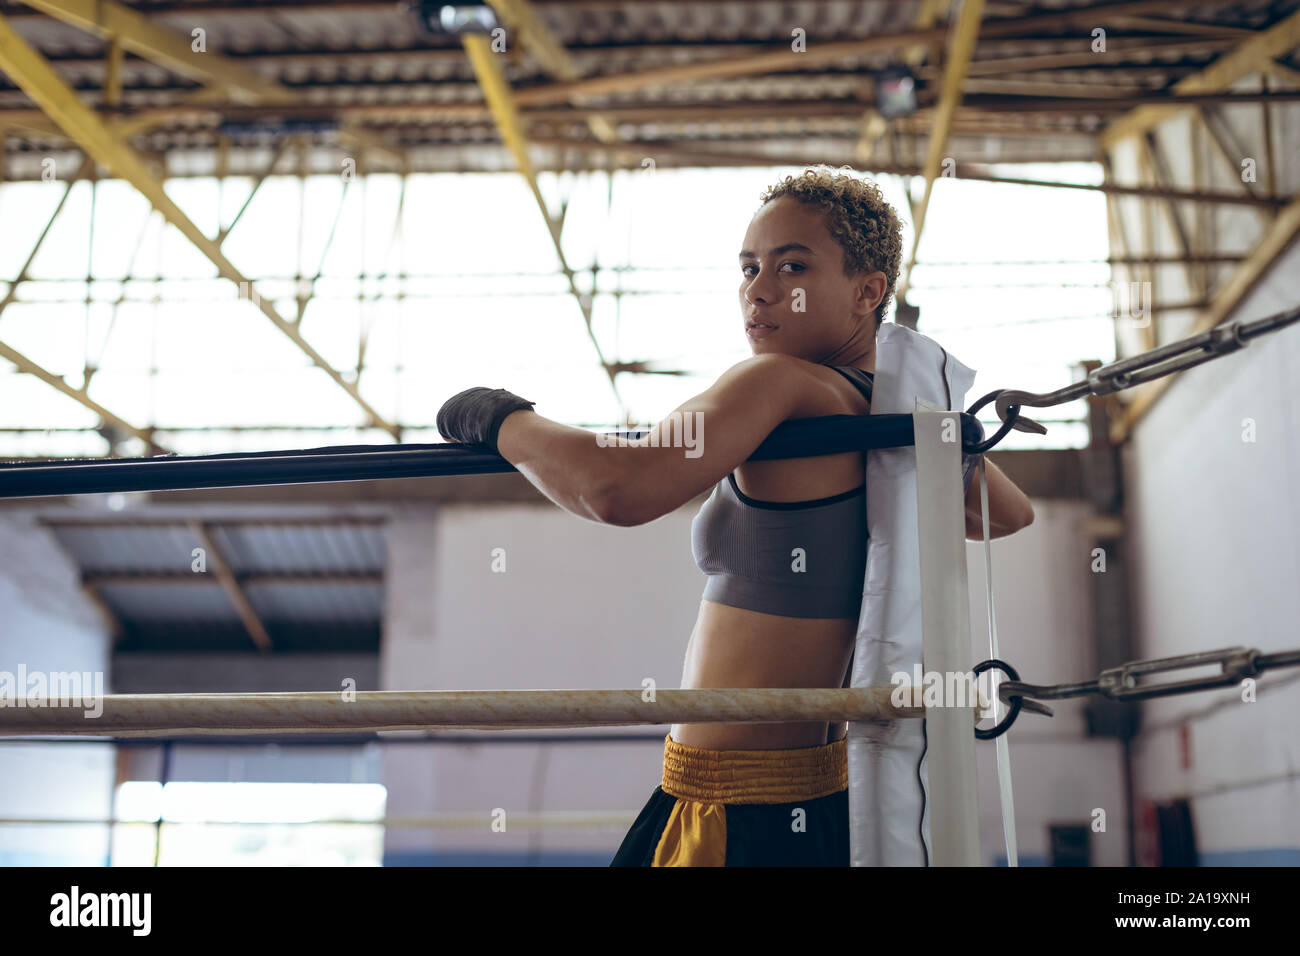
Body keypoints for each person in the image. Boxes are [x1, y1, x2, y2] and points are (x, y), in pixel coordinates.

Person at [436, 166, 1035, 866]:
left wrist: (502, 418)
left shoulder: (780, 381)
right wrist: (941, 440)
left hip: (728, 804)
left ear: (868, 290)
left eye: (794, 266)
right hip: (820, 802)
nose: (760, 289)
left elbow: (618, 487)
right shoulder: (889, 414)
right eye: (750, 267)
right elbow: (1010, 512)